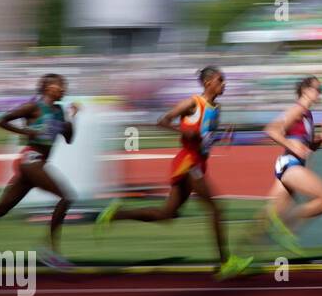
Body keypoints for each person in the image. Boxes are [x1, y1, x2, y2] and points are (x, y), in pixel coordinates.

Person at [95, 66, 253, 278]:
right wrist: (184, 132)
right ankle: (226, 263)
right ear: (208, 83)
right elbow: (162, 121)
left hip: (198, 162)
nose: (224, 84)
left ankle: (115, 214)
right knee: (216, 209)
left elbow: (205, 136)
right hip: (188, 163)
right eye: (220, 80)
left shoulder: (216, 108)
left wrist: (222, 136)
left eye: (224, 81)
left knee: (167, 215)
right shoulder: (192, 103)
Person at [0, 73, 79, 268]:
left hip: (37, 163)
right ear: (48, 87)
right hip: (31, 160)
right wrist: (27, 132)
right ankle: (50, 250)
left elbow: (69, 139)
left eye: (64, 85)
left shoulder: (60, 111)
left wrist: (71, 118)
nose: (64, 89)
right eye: (60, 85)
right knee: (66, 197)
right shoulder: (33, 107)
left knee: (0, 210)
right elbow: (1, 121)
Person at [257, 76, 322, 256]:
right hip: (289, 165)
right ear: (306, 90)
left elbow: (307, 148)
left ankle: (242, 260)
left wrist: (321, 139)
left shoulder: (308, 115)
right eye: (318, 89)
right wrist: (289, 144)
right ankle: (284, 229)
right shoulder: (297, 110)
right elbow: (270, 130)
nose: (320, 93)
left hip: (292, 166)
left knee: (266, 221)